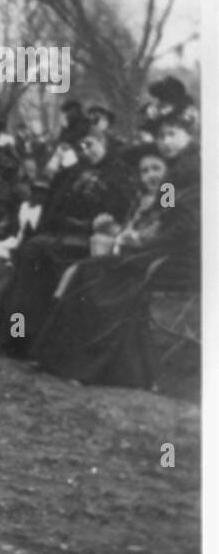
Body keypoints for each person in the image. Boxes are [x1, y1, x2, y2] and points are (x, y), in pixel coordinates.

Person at [34, 130, 200, 389]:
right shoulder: (172, 182)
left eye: (172, 134)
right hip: (157, 253)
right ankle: (57, 357)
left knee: (97, 275)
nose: (165, 141)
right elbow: (166, 219)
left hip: (179, 261)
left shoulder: (190, 178)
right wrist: (135, 236)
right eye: (161, 136)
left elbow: (184, 230)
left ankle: (88, 367)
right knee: (87, 270)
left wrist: (144, 241)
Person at [0, 123, 137, 358]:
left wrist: (87, 224)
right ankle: (16, 336)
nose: (86, 150)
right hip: (62, 236)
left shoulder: (118, 174)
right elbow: (54, 206)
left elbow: (117, 214)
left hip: (93, 240)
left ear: (103, 142)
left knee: (35, 253)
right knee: (27, 266)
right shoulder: (73, 172)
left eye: (91, 144)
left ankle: (25, 338)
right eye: (82, 146)